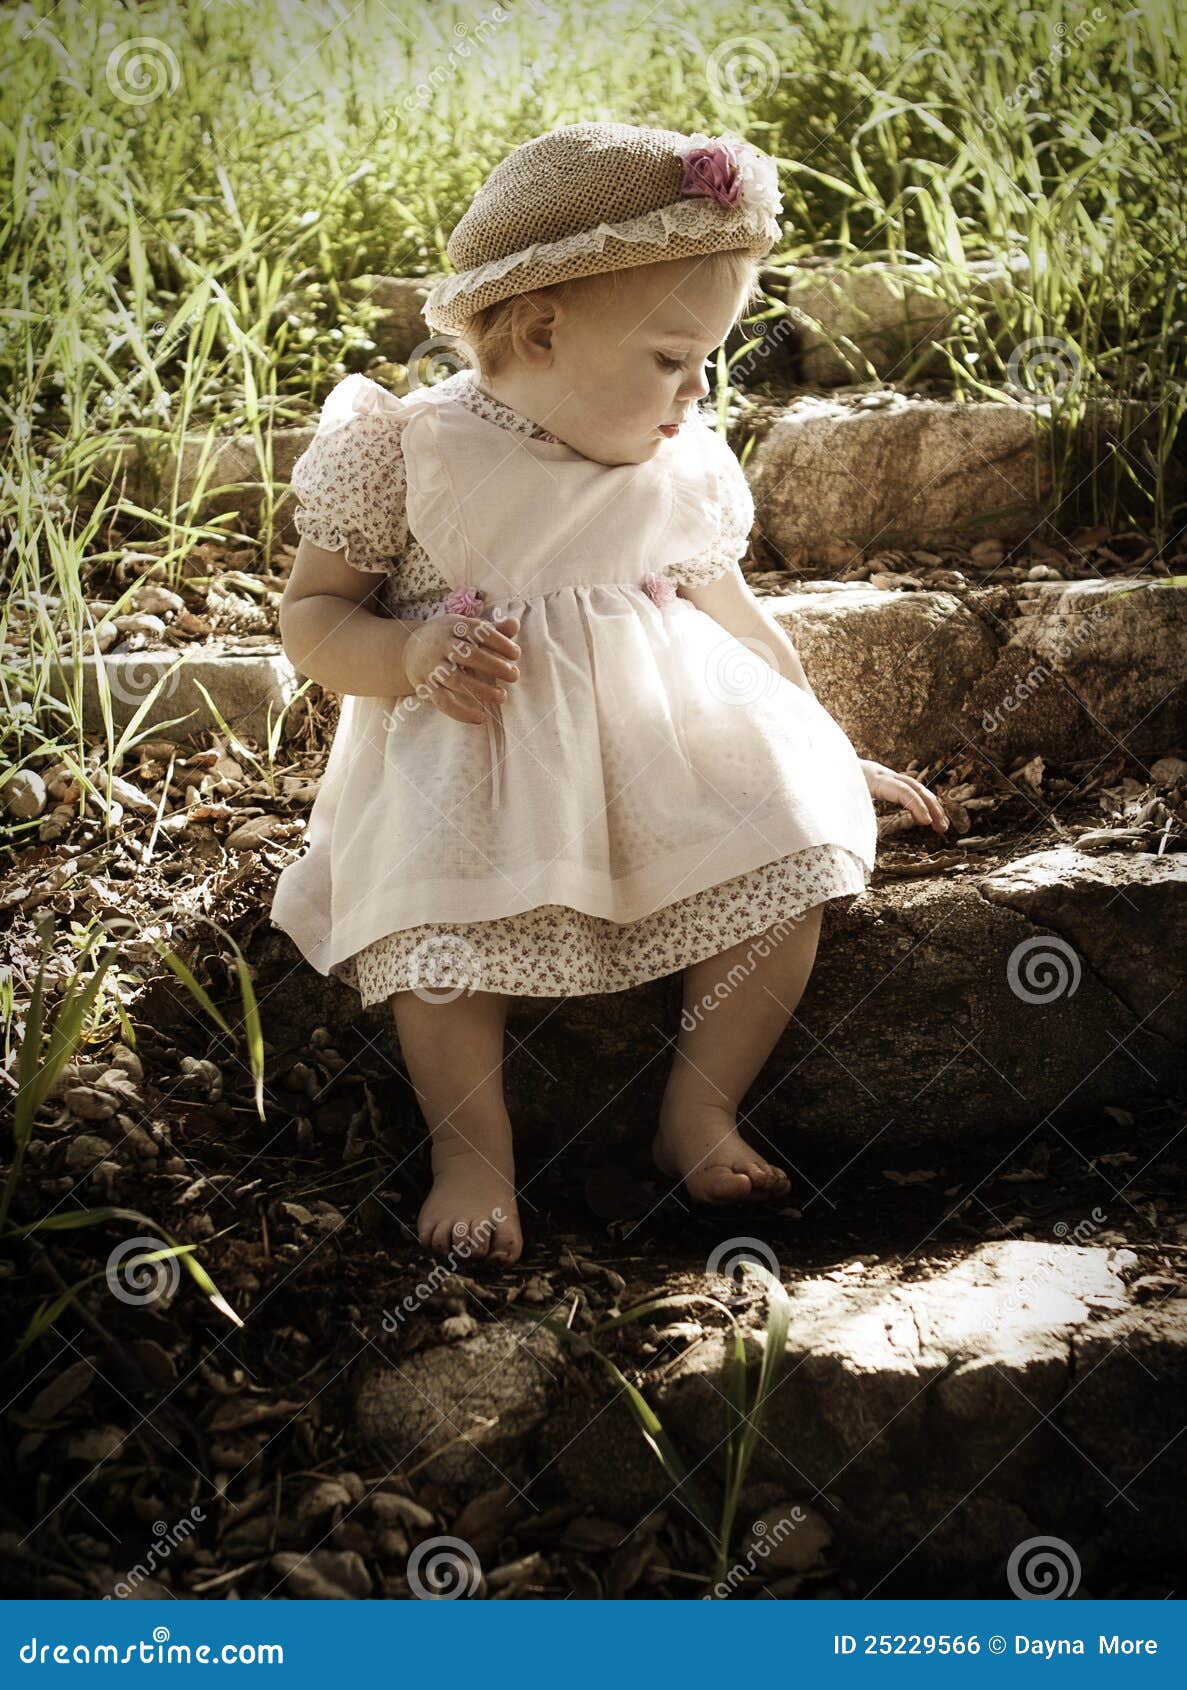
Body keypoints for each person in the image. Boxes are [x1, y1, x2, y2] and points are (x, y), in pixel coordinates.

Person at [270, 121, 948, 1268]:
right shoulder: (411, 447)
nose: (695, 393)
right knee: (433, 930)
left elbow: (738, 620)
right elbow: (311, 620)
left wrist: (828, 751)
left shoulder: (673, 461)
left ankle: (698, 1107)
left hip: (660, 756)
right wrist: (407, 658)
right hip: (470, 762)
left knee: (789, 854)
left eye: (709, 365)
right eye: (671, 359)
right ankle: (471, 1152)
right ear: (539, 330)